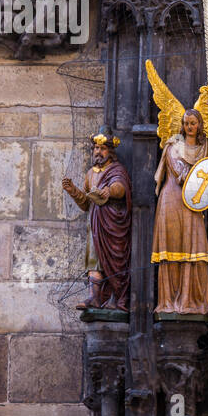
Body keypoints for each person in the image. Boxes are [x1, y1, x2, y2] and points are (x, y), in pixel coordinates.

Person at [152, 96, 208, 316]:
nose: (189, 127)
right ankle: (168, 302)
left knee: (195, 247)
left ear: (199, 125)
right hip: (173, 200)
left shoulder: (203, 149)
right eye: (186, 123)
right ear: (182, 126)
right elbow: (181, 173)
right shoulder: (174, 147)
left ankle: (192, 300)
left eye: (193, 123)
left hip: (192, 203)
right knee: (173, 247)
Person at [62, 131, 131, 311]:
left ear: (110, 152)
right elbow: (86, 203)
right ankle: (94, 297)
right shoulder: (90, 174)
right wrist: (73, 191)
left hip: (113, 222)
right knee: (94, 260)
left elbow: (121, 187)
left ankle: (115, 298)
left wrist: (110, 191)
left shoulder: (116, 170)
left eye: (102, 149)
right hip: (94, 222)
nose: (98, 152)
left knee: (114, 259)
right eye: (96, 148)